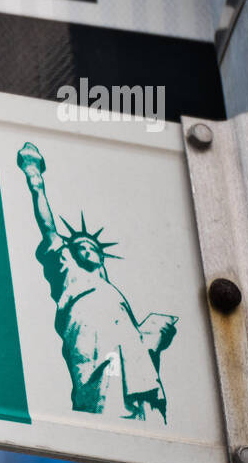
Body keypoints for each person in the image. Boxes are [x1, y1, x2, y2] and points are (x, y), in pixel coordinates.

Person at [16, 142, 176, 420]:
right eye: (80, 245)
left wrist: (154, 333)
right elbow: (49, 229)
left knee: (140, 407)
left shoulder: (113, 291)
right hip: (86, 333)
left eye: (93, 246)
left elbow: (142, 342)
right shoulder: (68, 271)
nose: (87, 248)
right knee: (99, 396)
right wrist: (35, 178)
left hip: (126, 343)